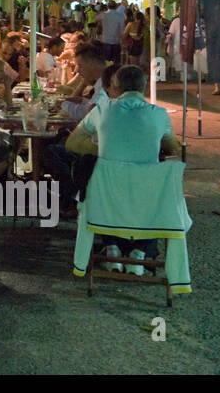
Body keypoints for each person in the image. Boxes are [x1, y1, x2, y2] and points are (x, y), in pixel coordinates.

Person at [67, 65, 181, 271]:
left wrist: (104, 148)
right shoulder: (159, 114)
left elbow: (72, 143)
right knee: (156, 194)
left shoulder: (102, 111)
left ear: (115, 86)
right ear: (144, 87)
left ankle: (112, 246)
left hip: (108, 198)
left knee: (103, 190)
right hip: (145, 196)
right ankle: (142, 251)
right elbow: (174, 148)